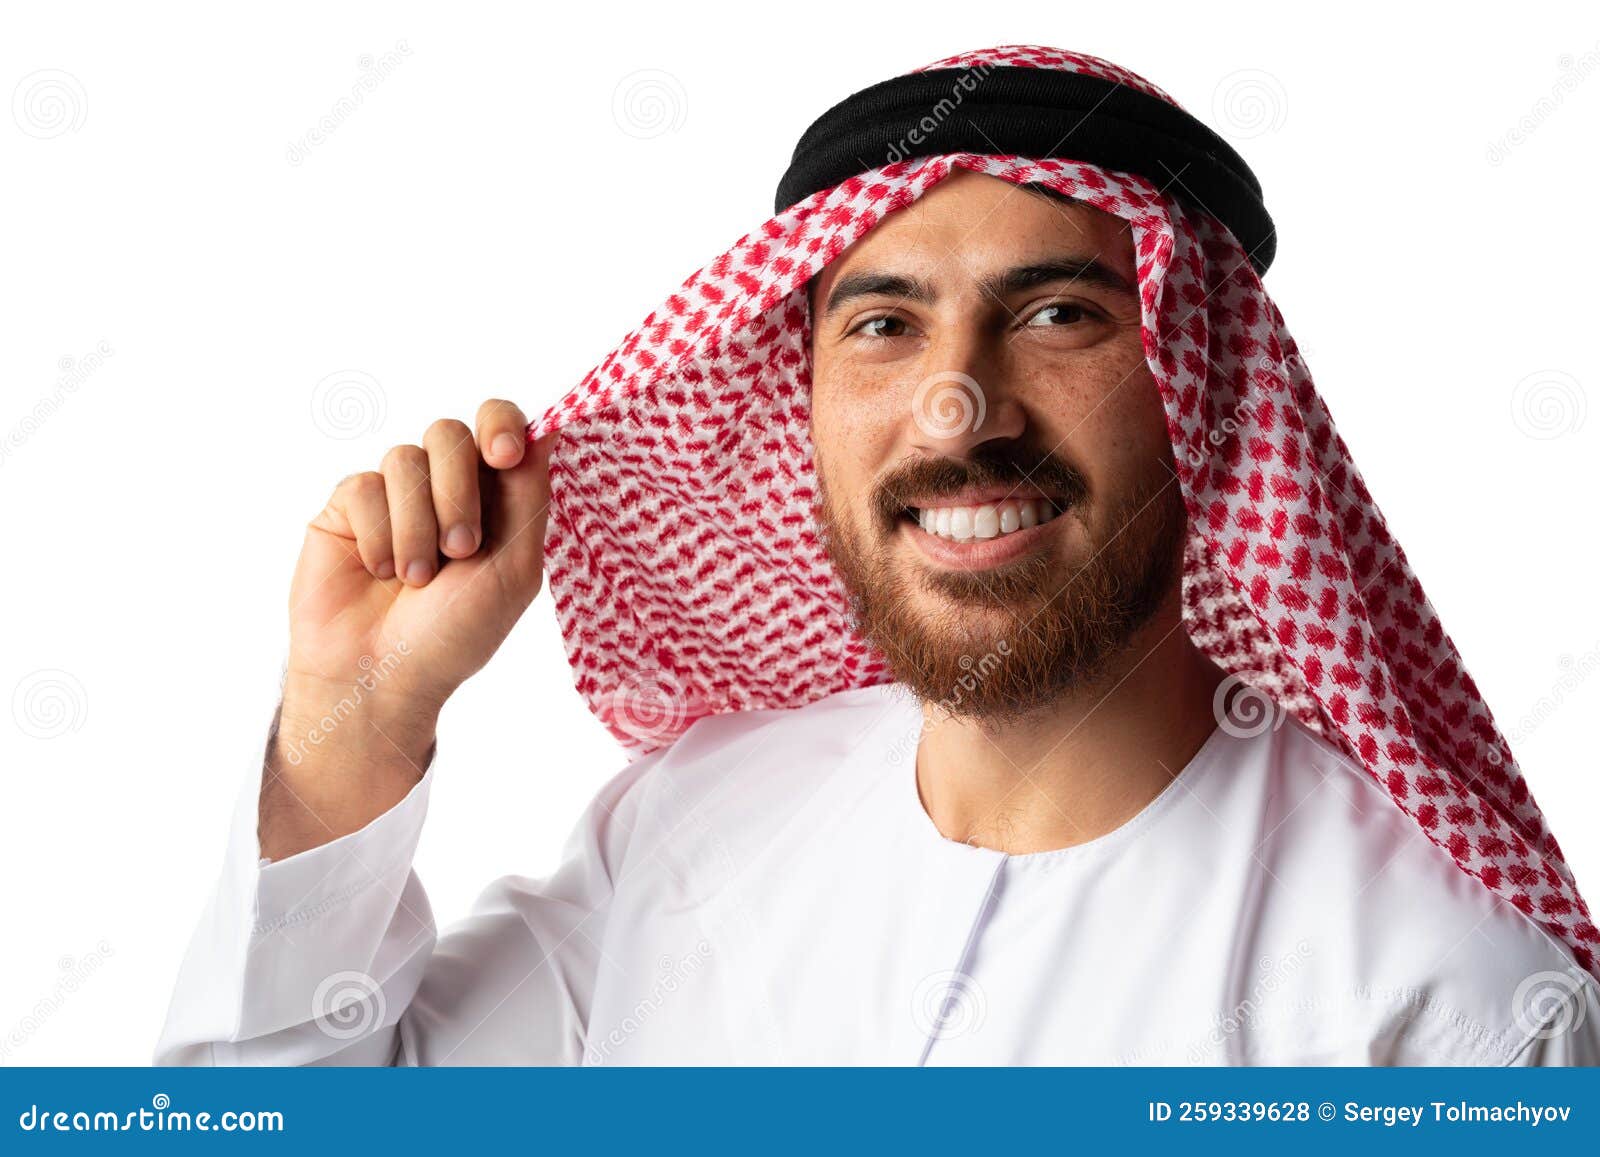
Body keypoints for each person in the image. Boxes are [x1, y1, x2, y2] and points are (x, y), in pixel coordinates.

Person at [156, 45, 1600, 1065]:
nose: (958, 407)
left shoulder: (1441, 1003)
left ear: (1205, 392)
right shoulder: (687, 833)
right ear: (805, 405)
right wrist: (355, 714)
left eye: (1057, 317)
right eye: (883, 324)